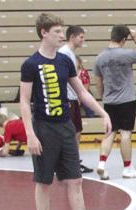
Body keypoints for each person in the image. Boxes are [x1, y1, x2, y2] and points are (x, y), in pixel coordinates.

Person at [20, 13, 113, 210]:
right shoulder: (31, 64)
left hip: (65, 127)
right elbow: (24, 100)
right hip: (43, 128)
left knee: (75, 179)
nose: (62, 36)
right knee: (43, 181)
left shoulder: (65, 62)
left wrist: (103, 112)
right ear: (44, 33)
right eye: (57, 32)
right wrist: (30, 134)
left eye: (62, 32)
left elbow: (81, 92)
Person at [93, 24, 136, 180]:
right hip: (126, 101)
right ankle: (127, 168)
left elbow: (98, 81)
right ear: (124, 39)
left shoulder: (100, 57)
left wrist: (104, 96)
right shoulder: (128, 54)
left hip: (109, 101)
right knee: (125, 134)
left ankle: (102, 164)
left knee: (109, 133)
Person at [57, 25, 91, 173]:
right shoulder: (64, 53)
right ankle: (67, 163)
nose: (83, 40)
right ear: (72, 37)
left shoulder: (70, 53)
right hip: (67, 100)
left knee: (76, 131)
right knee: (70, 133)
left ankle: (74, 162)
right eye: (81, 37)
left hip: (73, 98)